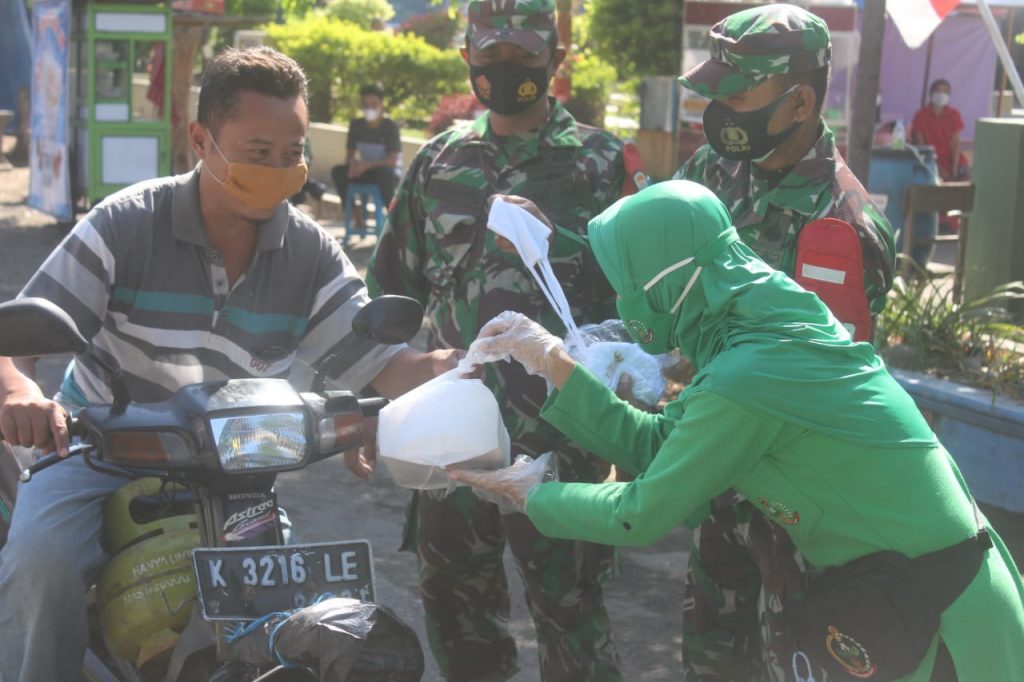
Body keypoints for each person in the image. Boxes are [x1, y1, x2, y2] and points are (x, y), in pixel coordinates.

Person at [0, 47, 459, 682]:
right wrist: (18, 390)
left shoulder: (309, 254)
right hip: (99, 451)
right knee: (41, 561)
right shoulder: (123, 225)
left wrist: (461, 367)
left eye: (292, 153)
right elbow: (13, 343)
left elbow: (387, 364)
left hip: (237, 471)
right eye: (257, 151)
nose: (278, 170)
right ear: (201, 140)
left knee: (294, 608)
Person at [452, 180, 1024, 682]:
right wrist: (554, 362)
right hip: (903, 594)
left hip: (941, 616)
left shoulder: (752, 372)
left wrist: (534, 495)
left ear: (668, 281)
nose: (623, 302)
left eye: (627, 282)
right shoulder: (764, 319)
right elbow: (662, 446)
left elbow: (640, 512)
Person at [366, 1, 647, 679]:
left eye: (522, 57)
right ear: (467, 57)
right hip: (450, 429)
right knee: (455, 606)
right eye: (490, 57)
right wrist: (375, 398)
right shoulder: (439, 161)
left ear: (555, 59)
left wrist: (560, 239)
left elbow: (644, 297)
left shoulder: (601, 161)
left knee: (570, 608)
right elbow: (390, 289)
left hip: (562, 431)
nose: (505, 69)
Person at [672, 5, 897, 677]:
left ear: (799, 101)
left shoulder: (844, 229)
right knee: (710, 658)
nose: (720, 111)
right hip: (719, 482)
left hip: (798, 510)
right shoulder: (715, 173)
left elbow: (818, 394)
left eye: (737, 94)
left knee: (788, 662)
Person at [330, 82, 401, 213]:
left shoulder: (391, 127)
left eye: (374, 104)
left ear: (381, 105)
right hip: (364, 171)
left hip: (387, 174)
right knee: (338, 172)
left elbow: (392, 161)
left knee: (385, 175)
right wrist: (354, 165)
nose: (369, 109)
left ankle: (393, 216)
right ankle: (354, 213)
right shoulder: (356, 126)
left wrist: (366, 165)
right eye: (365, 105)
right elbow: (350, 155)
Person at [912, 79, 969, 181]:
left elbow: (955, 144)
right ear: (931, 93)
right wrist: (936, 168)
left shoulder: (954, 115)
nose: (941, 94)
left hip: (953, 160)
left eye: (945, 92)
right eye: (938, 91)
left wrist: (953, 168)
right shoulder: (920, 116)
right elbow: (921, 146)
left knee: (966, 179)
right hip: (930, 160)